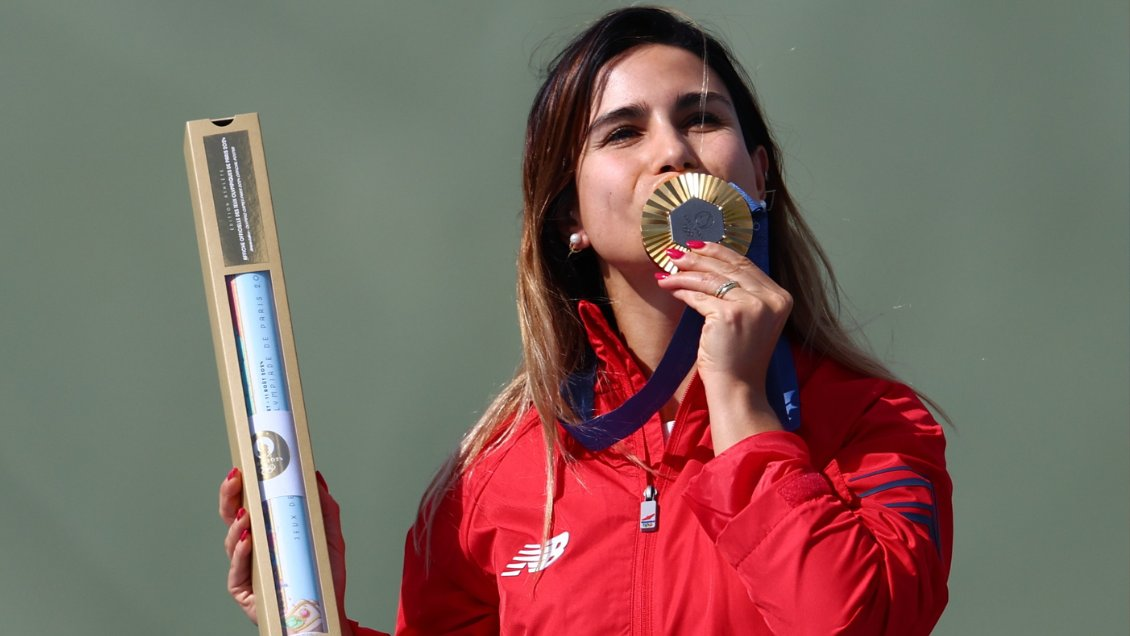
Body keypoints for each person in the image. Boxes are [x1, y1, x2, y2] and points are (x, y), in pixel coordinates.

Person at [220, 7, 951, 634]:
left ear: (758, 172)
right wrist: (310, 618)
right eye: (622, 133)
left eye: (702, 118)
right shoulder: (491, 483)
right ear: (571, 212)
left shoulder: (873, 424)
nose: (672, 152)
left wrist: (740, 404)